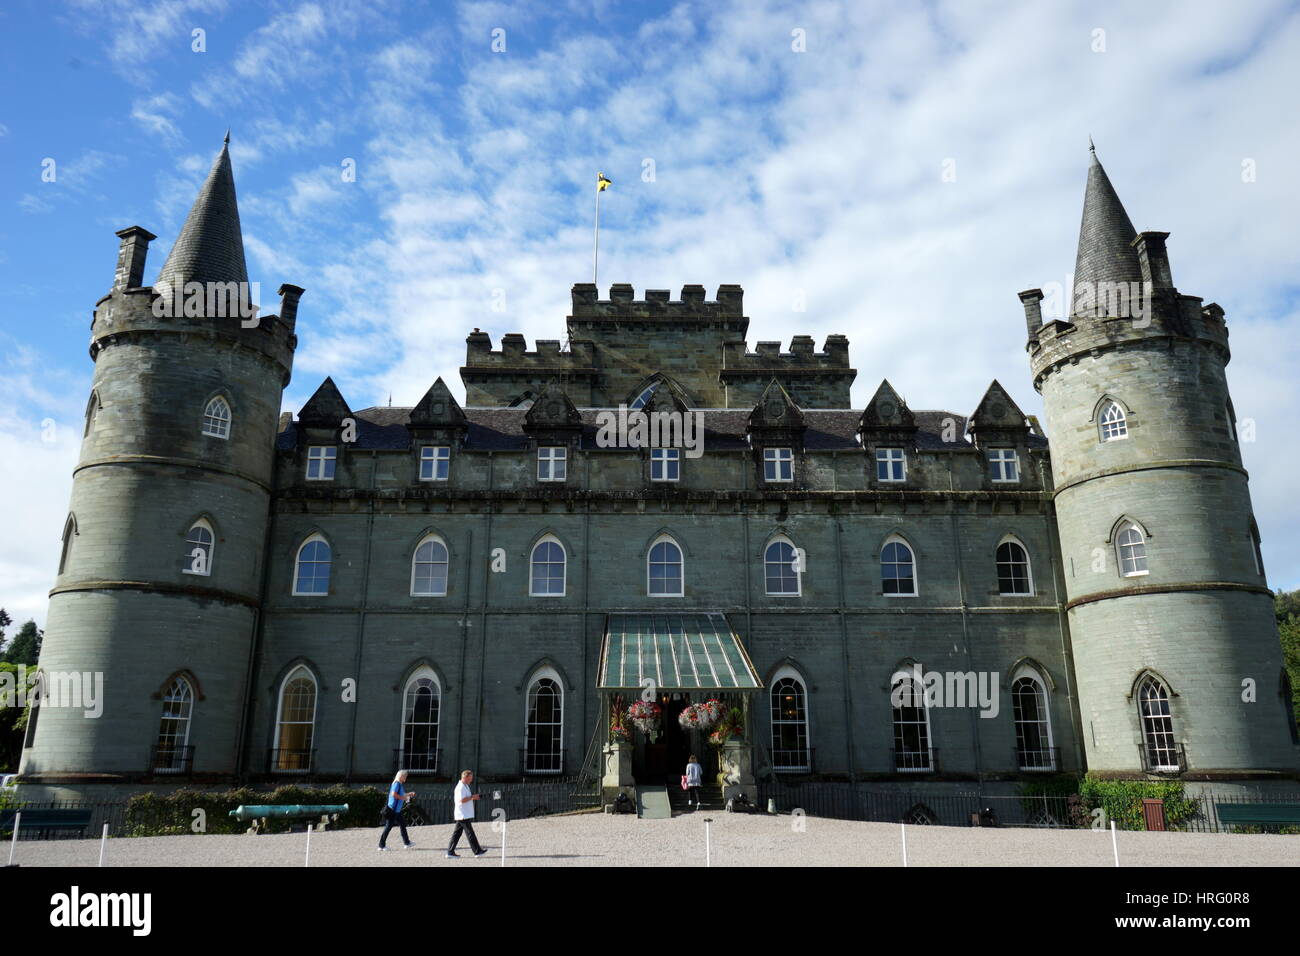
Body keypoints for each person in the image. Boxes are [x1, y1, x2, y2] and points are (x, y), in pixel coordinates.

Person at [447, 769, 488, 858]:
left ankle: (450, 852)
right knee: (470, 833)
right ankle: (477, 851)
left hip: (463, 814)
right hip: (462, 814)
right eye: (470, 778)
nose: (471, 780)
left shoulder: (465, 786)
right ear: (465, 777)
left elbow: (466, 798)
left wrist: (473, 797)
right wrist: (472, 797)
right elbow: (461, 800)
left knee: (457, 834)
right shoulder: (461, 787)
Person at [378, 769, 416, 851]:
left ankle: (407, 843)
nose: (406, 777)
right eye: (405, 776)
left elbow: (400, 794)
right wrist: (404, 797)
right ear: (401, 776)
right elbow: (394, 794)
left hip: (396, 811)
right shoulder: (397, 784)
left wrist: (408, 794)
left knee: (402, 825)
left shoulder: (399, 784)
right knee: (388, 827)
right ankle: (381, 845)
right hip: (393, 810)